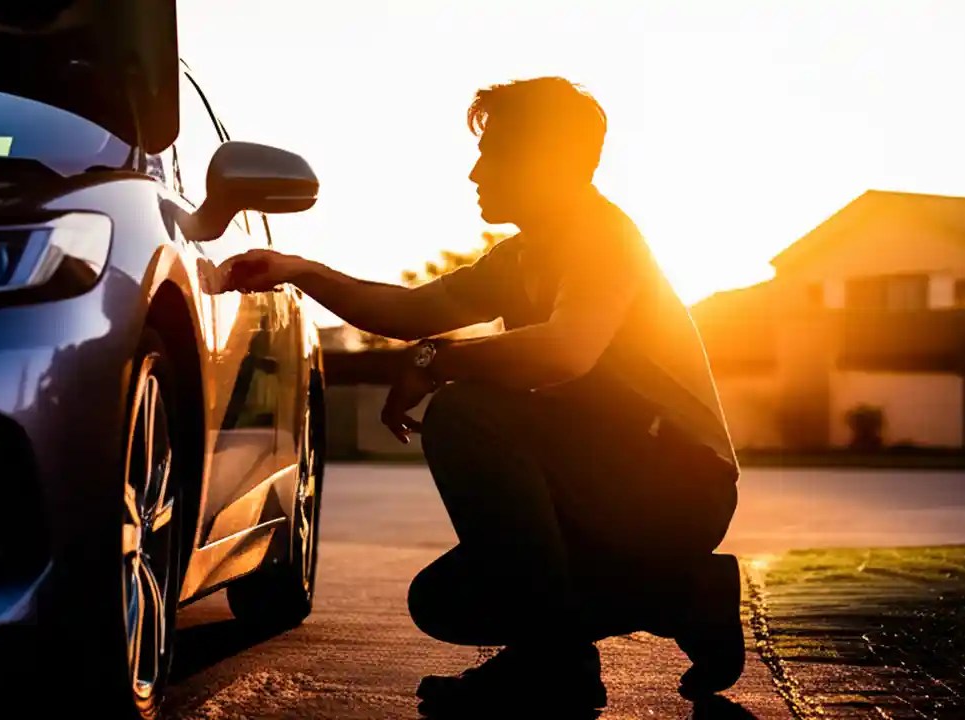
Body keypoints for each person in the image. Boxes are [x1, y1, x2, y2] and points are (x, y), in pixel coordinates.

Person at [209, 76, 743, 716]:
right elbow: (411, 309)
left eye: (494, 154)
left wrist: (439, 363)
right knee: (447, 600)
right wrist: (302, 270)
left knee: (468, 412)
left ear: (545, 161)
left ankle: (555, 665)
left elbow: (567, 349)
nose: (474, 172)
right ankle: (682, 595)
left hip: (678, 481)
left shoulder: (603, 237)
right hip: (606, 479)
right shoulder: (523, 256)